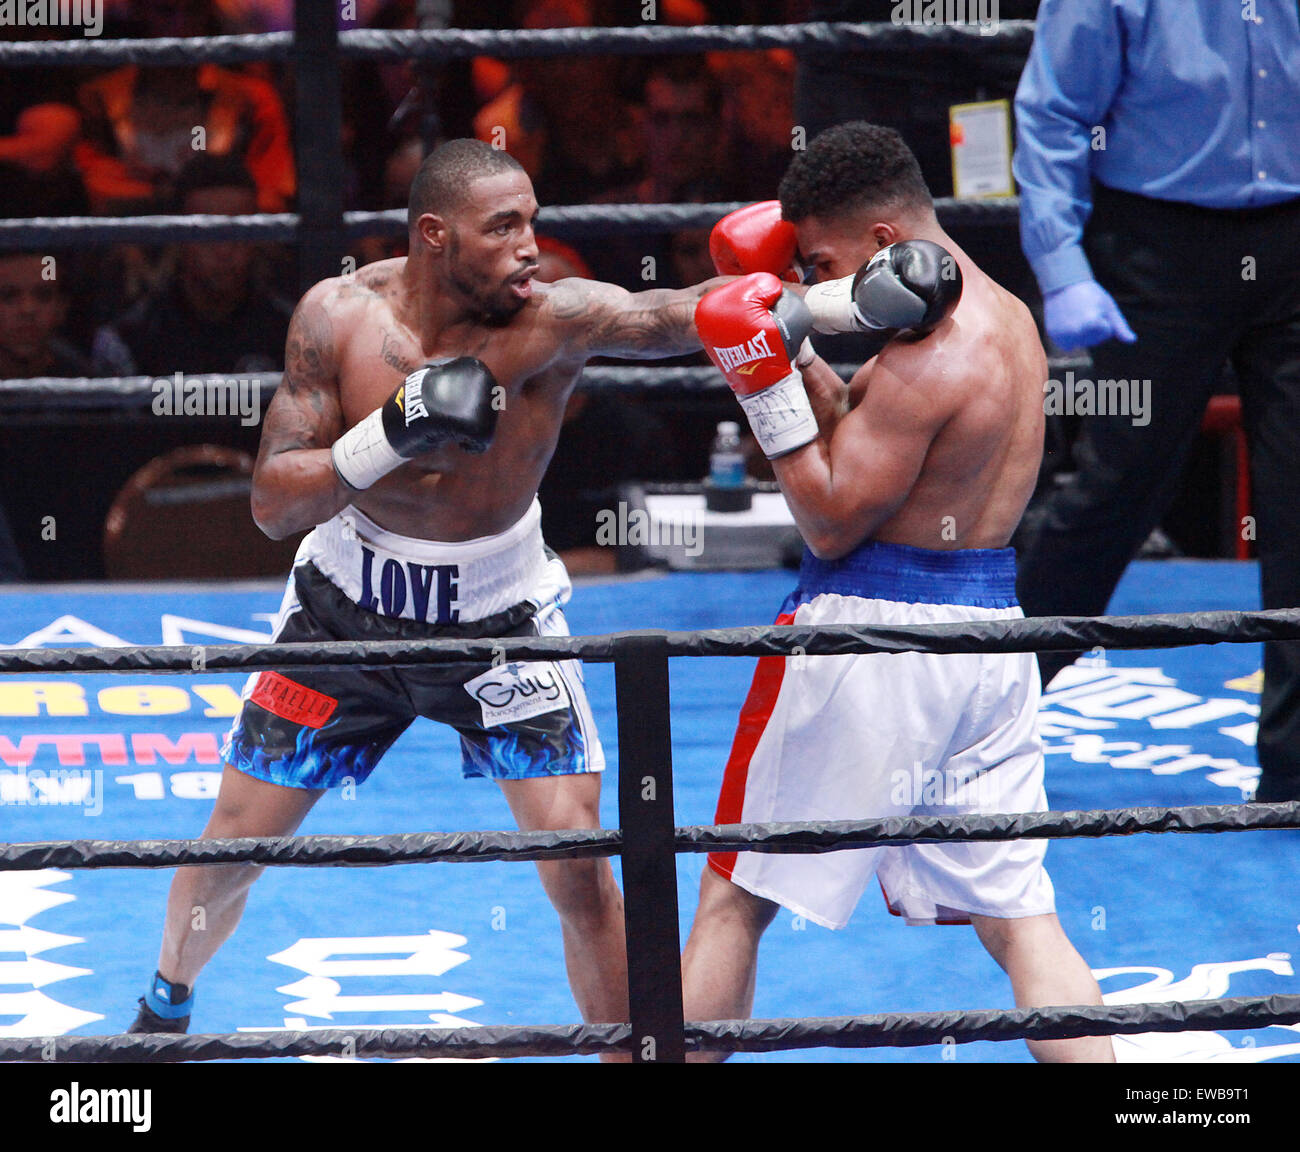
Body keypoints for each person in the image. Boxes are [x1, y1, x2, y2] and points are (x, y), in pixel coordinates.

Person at [126, 138, 722, 1043]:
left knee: (577, 864)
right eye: (504, 227)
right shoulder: (340, 316)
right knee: (232, 848)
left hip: (500, 620)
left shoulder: (552, 317)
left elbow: (669, 316)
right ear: (436, 235)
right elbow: (271, 502)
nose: (530, 245)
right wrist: (393, 432)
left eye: (532, 220)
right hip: (344, 617)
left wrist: (828, 299)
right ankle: (164, 1007)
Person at [681, 123, 1114, 1062]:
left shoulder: (927, 360)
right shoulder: (1006, 317)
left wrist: (759, 386)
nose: (818, 291)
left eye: (824, 266)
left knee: (732, 894)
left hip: (869, 638)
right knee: (1019, 919)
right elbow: (867, 433)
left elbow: (833, 518)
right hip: (990, 639)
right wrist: (792, 355)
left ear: (883, 243)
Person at [1012, 0, 1300, 802]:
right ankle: (980, 725)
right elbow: (1055, 112)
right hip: (1154, 247)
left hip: (1293, 234)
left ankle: (1295, 772)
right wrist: (1062, 263)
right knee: (1119, 485)